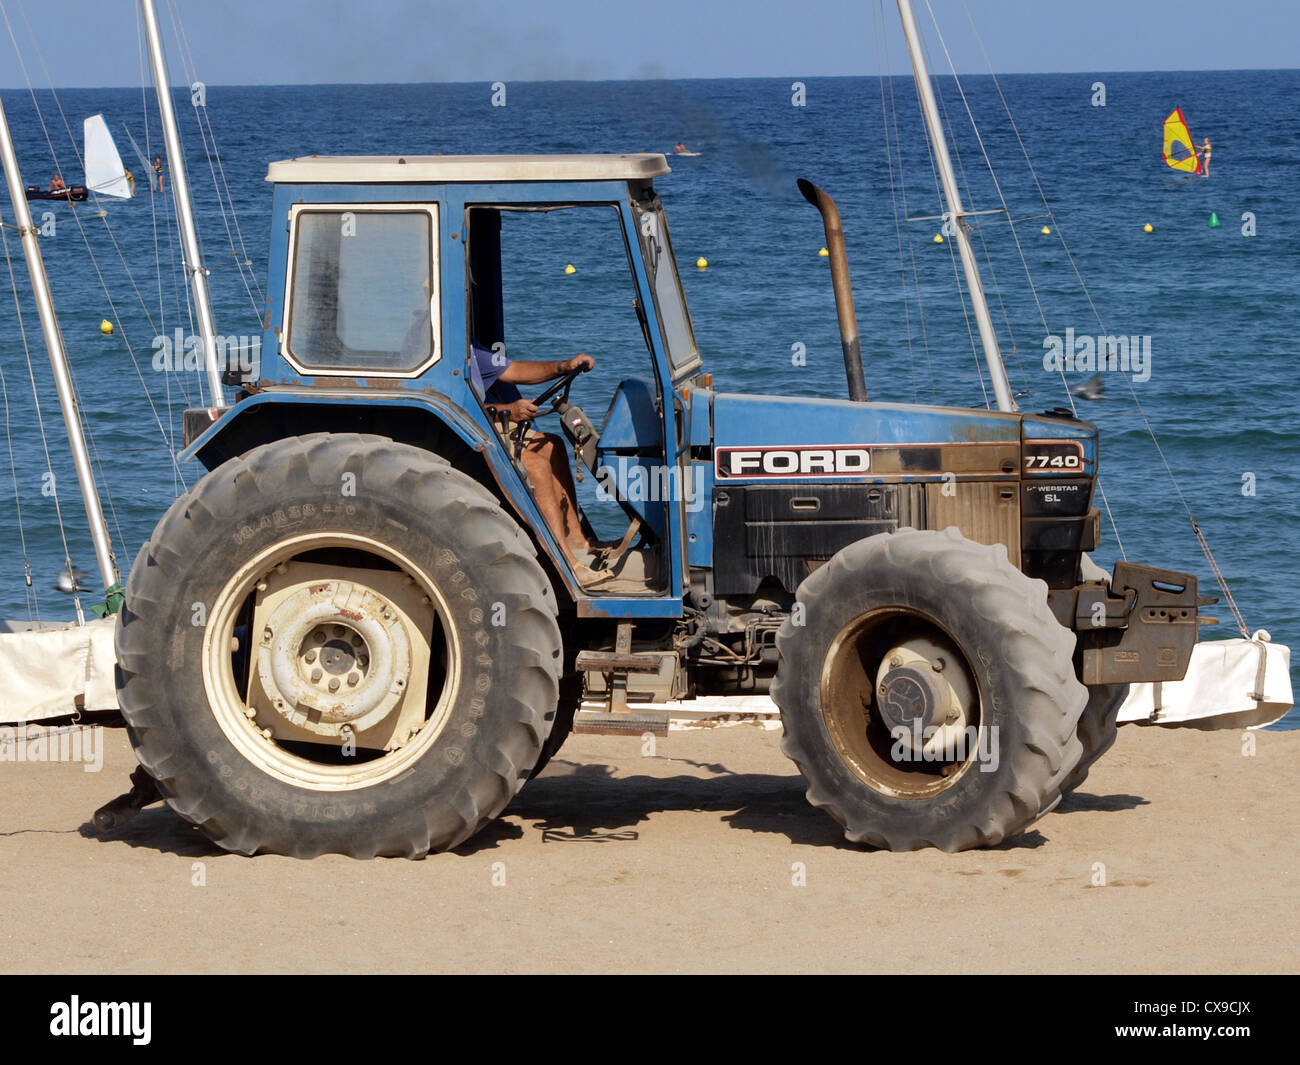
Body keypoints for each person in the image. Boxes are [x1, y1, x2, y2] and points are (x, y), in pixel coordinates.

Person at [469, 342, 610, 585]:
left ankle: (577, 540)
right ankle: (566, 564)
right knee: (536, 464)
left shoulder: (471, 350)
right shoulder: (438, 345)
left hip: (485, 419)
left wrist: (563, 367)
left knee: (552, 445)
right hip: (473, 427)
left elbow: (515, 371)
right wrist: (506, 410)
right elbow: (454, 399)